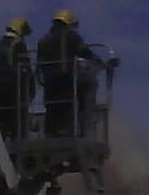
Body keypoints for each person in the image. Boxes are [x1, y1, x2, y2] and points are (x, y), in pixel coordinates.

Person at [36, 9, 113, 138]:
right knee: (68, 104)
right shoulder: (70, 36)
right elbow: (85, 52)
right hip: (65, 78)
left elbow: (39, 63)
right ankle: (68, 132)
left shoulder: (43, 40)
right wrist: (103, 64)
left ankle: (50, 133)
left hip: (48, 81)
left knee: (51, 106)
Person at [0, 17, 33, 143]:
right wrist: (31, 87)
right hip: (15, 86)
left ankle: (2, 137)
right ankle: (18, 138)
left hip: (0, 86)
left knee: (3, 116)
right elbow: (25, 67)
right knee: (18, 117)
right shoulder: (18, 44)